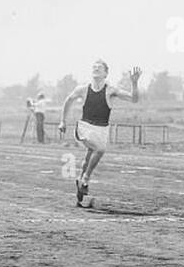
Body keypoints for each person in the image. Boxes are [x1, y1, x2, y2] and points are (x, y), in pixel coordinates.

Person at [59, 60, 142, 206]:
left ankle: (80, 180)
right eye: (94, 67)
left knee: (91, 153)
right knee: (100, 149)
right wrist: (62, 121)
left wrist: (134, 83)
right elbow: (68, 100)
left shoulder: (111, 90)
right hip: (84, 127)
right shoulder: (83, 89)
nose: (96, 68)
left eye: (100, 67)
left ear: (106, 73)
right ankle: (85, 179)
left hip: (102, 129)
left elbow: (134, 99)